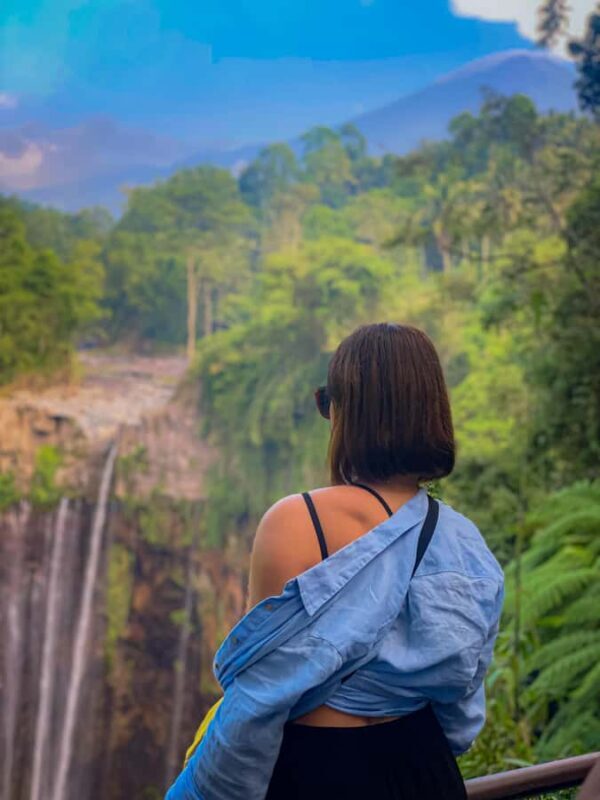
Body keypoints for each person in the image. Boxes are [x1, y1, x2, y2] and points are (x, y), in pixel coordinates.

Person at [165, 322, 504, 800]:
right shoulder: (466, 543)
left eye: (329, 403)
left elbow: (262, 694)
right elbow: (463, 709)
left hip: (317, 768)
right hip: (426, 769)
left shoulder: (297, 521)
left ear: (346, 411)